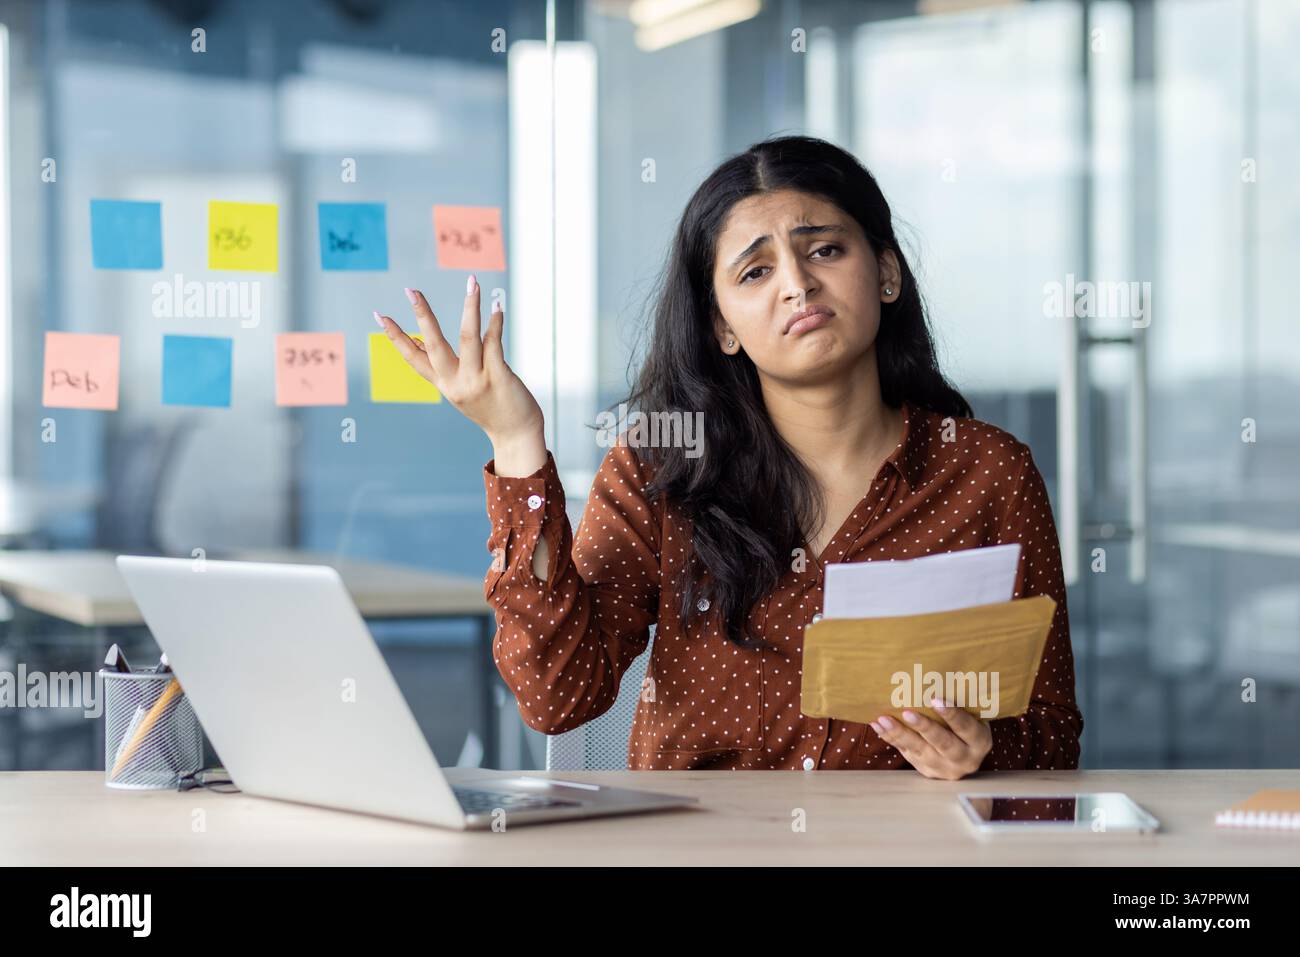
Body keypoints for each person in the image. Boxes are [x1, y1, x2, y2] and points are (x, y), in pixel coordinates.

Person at [375, 134, 1083, 778]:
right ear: (723, 327)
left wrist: (985, 748)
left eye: (826, 250)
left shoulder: (986, 471)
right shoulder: (662, 467)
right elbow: (558, 694)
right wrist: (516, 444)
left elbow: (1053, 732)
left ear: (887, 274)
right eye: (754, 273)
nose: (797, 284)